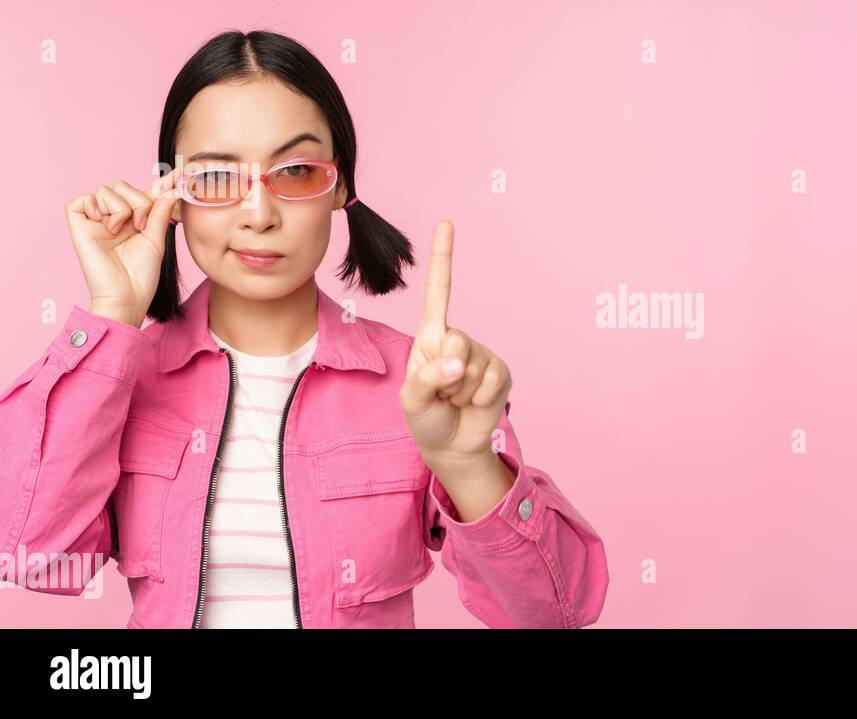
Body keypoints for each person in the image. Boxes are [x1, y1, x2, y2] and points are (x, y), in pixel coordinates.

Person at [0, 30, 608, 629]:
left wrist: (470, 465)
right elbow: (27, 554)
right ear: (174, 195)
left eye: (294, 172)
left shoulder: (422, 386)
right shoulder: (120, 380)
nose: (259, 215)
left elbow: (555, 614)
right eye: (215, 178)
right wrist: (111, 317)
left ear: (339, 184)